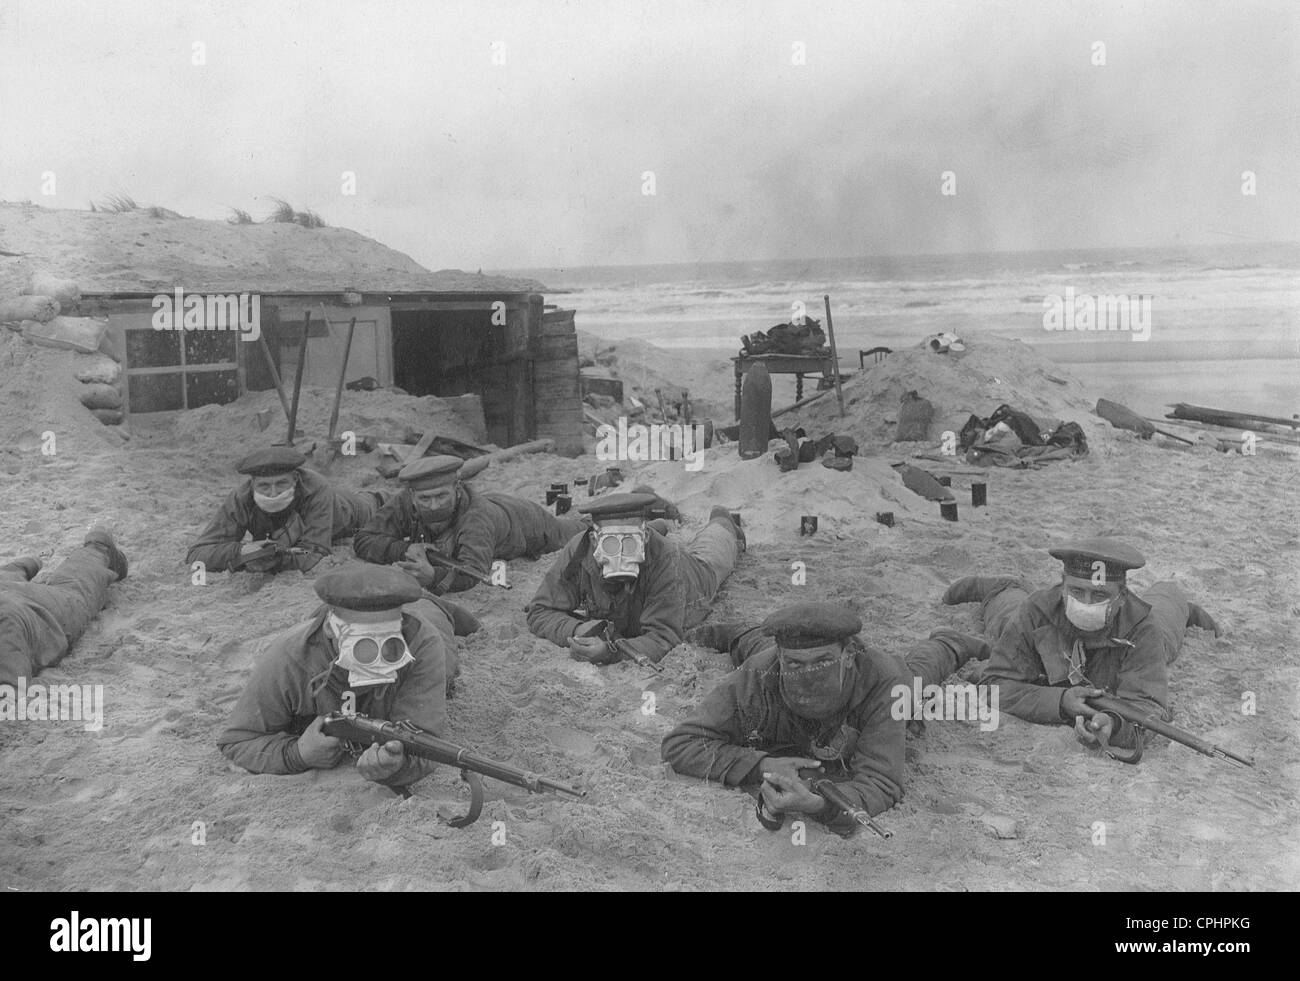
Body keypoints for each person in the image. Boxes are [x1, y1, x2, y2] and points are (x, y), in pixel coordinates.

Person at [661, 603, 989, 833]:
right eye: (795, 665)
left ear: (848, 656)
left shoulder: (882, 681)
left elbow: (882, 783)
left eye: (822, 661)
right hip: (767, 659)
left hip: (892, 680)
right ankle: (736, 633)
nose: (808, 675)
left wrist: (820, 805)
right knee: (755, 644)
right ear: (781, 658)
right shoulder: (761, 671)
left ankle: (949, 643)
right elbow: (681, 743)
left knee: (918, 678)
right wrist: (762, 766)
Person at [944, 537, 1220, 762]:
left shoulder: (1142, 626)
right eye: (1077, 592)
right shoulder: (1037, 611)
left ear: (1121, 597)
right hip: (1040, 640)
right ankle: (1003, 586)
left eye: (1100, 595)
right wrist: (1060, 702)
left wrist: (1113, 725)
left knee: (1166, 615)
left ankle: (1180, 603)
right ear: (1062, 586)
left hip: (1140, 628)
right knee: (1007, 614)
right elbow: (996, 685)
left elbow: (1148, 707)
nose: (1086, 603)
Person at [217, 565, 470, 788]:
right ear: (330, 627)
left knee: (440, 627)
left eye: (389, 644)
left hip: (429, 617)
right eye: (362, 643)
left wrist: (396, 766)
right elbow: (237, 741)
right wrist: (297, 755)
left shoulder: (421, 645)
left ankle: (438, 604)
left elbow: (426, 742)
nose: (377, 657)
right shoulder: (290, 658)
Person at [526, 492, 744, 665]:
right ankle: (659, 528)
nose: (620, 555)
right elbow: (540, 611)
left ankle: (723, 522)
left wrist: (610, 651)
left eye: (630, 544)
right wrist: (576, 630)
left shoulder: (666, 558)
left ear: (644, 537)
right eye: (611, 544)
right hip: (641, 586)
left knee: (714, 555)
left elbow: (664, 637)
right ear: (594, 540)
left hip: (693, 582)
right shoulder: (579, 551)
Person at [353, 455, 590, 593]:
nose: (434, 505)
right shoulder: (403, 501)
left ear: (457, 489)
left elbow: (473, 573)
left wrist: (433, 576)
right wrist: (405, 549)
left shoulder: (477, 519)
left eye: (441, 496)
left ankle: (591, 517)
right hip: (494, 505)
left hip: (526, 523)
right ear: (412, 495)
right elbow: (364, 539)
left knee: (576, 531)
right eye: (425, 499)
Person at [187, 447, 388, 574]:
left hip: (352, 513)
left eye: (281, 484)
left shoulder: (316, 488)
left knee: (376, 503)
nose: (273, 493)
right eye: (264, 486)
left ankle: (382, 496)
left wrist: (275, 560)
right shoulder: (241, 497)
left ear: (295, 478)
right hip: (293, 536)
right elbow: (197, 553)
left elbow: (315, 551)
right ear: (252, 483)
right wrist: (242, 551)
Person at [0, 525, 128, 688]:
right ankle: (30, 563)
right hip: (9, 590)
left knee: (77, 592)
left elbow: (10, 689)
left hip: (40, 609)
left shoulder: (5, 631)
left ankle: (99, 546)